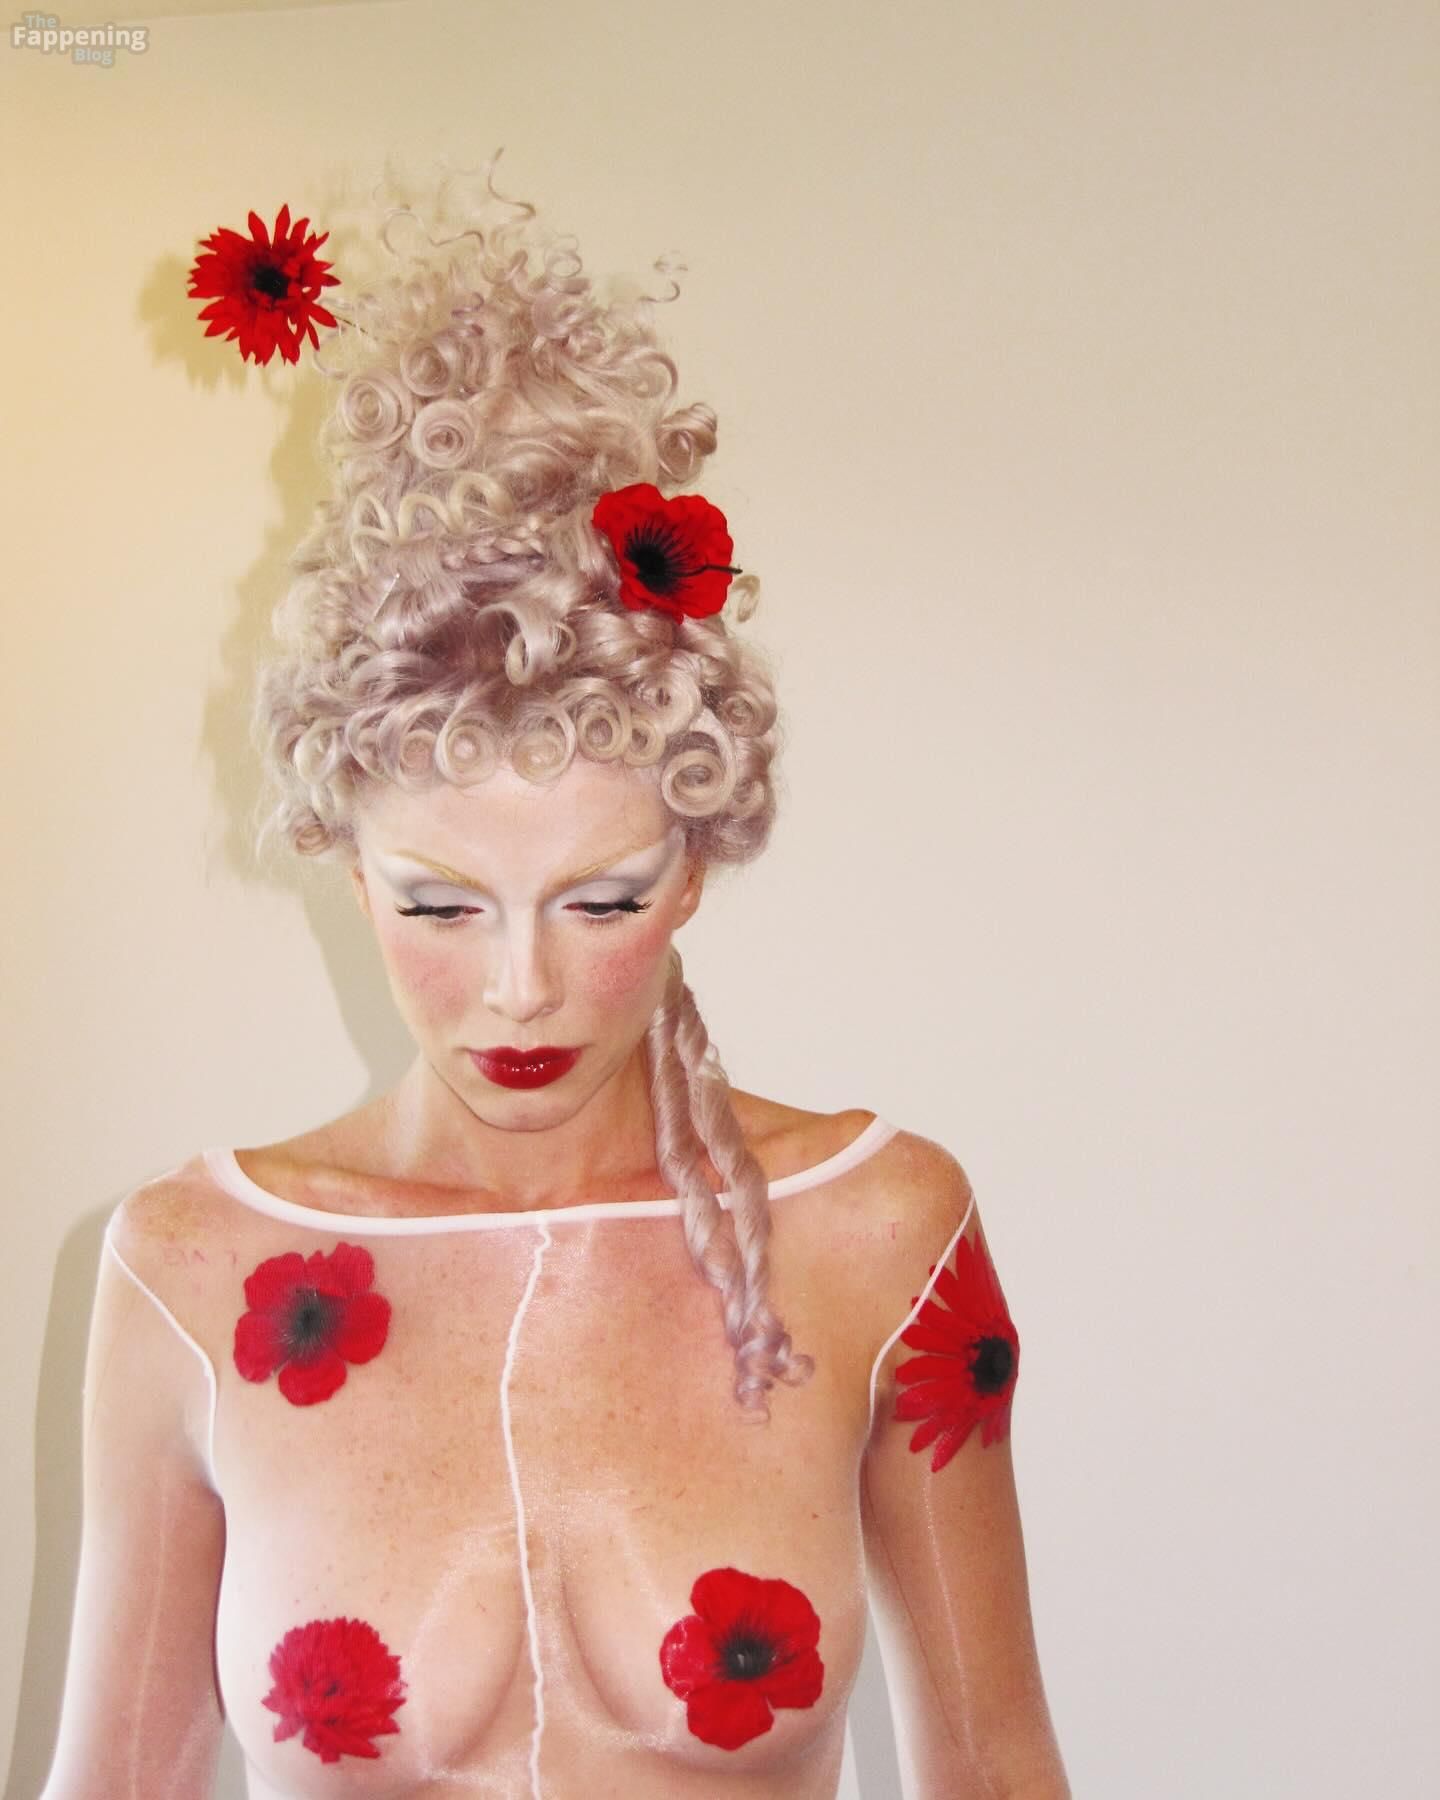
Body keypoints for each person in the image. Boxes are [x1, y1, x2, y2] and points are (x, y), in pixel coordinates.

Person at [41, 162, 1069, 1799]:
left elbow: (998, 1770)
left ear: (697, 865)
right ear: (346, 868)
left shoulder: (882, 1234)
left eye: (602, 900)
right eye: (438, 906)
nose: (521, 988)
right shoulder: (188, 1269)